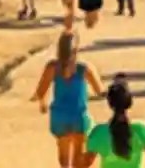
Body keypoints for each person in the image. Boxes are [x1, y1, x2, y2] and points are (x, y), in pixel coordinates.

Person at [34, 31, 106, 168]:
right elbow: (100, 91)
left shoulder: (52, 67)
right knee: (79, 159)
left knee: (64, 160)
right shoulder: (84, 69)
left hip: (59, 117)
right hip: (79, 117)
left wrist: (42, 104)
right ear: (77, 49)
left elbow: (40, 92)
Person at [81, 76, 145, 168]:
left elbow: (85, 163)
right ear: (129, 102)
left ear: (110, 104)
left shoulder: (99, 133)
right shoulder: (143, 130)